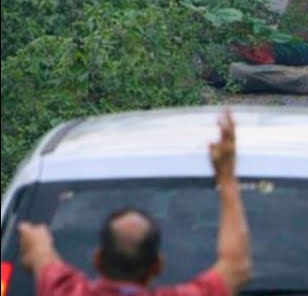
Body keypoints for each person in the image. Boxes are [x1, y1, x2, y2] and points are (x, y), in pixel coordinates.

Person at [18, 109, 251, 295]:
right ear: (158, 266)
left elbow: (41, 255)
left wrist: (39, 244)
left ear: (97, 260)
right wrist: (227, 177)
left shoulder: (67, 290)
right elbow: (236, 266)